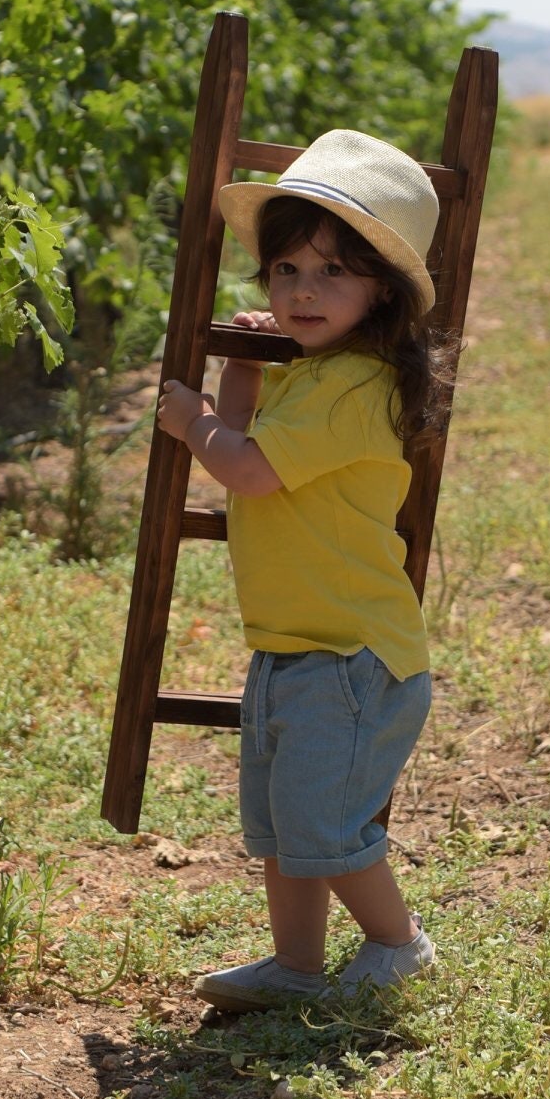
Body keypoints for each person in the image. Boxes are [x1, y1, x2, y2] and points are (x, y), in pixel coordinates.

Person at [155, 128, 449, 1012]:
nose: (303, 290)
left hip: (354, 656)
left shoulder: (356, 387)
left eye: (332, 272)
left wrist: (191, 419)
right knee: (284, 829)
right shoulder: (311, 373)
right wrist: (239, 374)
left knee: (324, 825)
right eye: (286, 270)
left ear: (382, 293)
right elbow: (248, 436)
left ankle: (399, 946)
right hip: (292, 646)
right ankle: (294, 965)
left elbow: (243, 467)